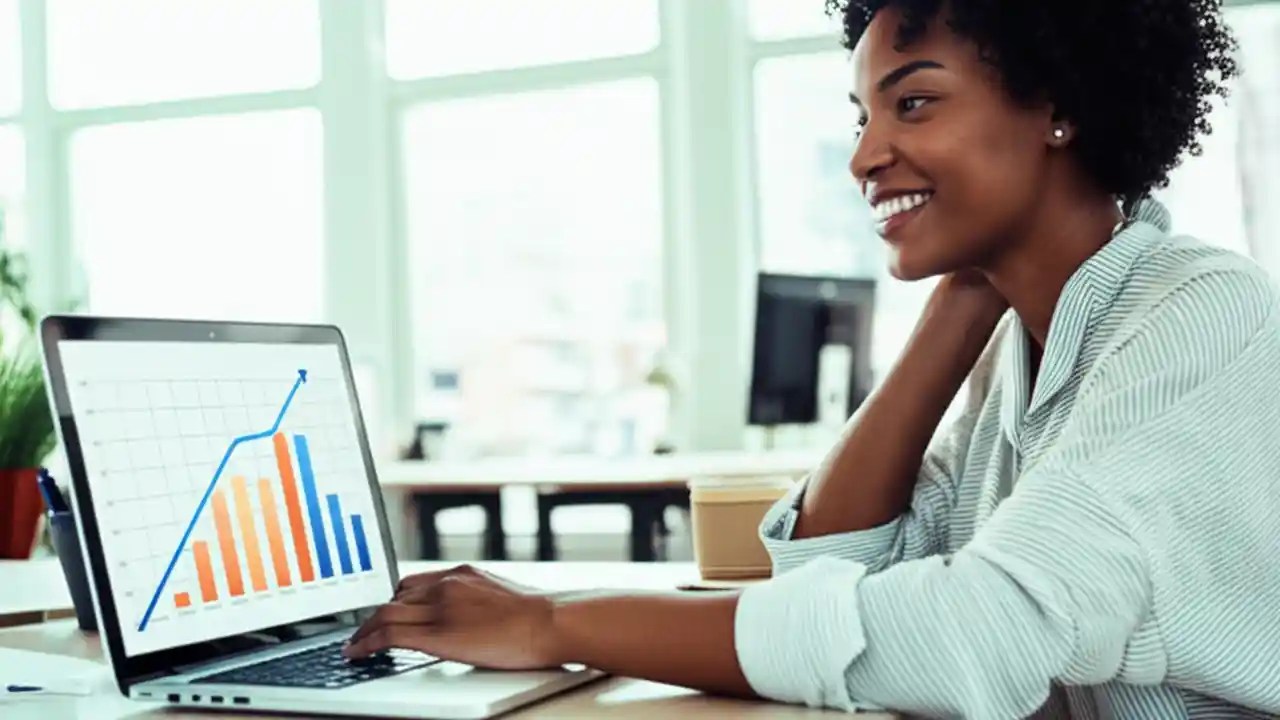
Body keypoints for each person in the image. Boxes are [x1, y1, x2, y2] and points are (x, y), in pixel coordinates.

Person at [344, 0, 1280, 717]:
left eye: (912, 102)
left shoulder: (1200, 315)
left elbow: (976, 636)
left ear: (1061, 108)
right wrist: (960, 303)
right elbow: (828, 581)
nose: (866, 155)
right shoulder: (1020, 349)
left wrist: (555, 622)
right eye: (863, 116)